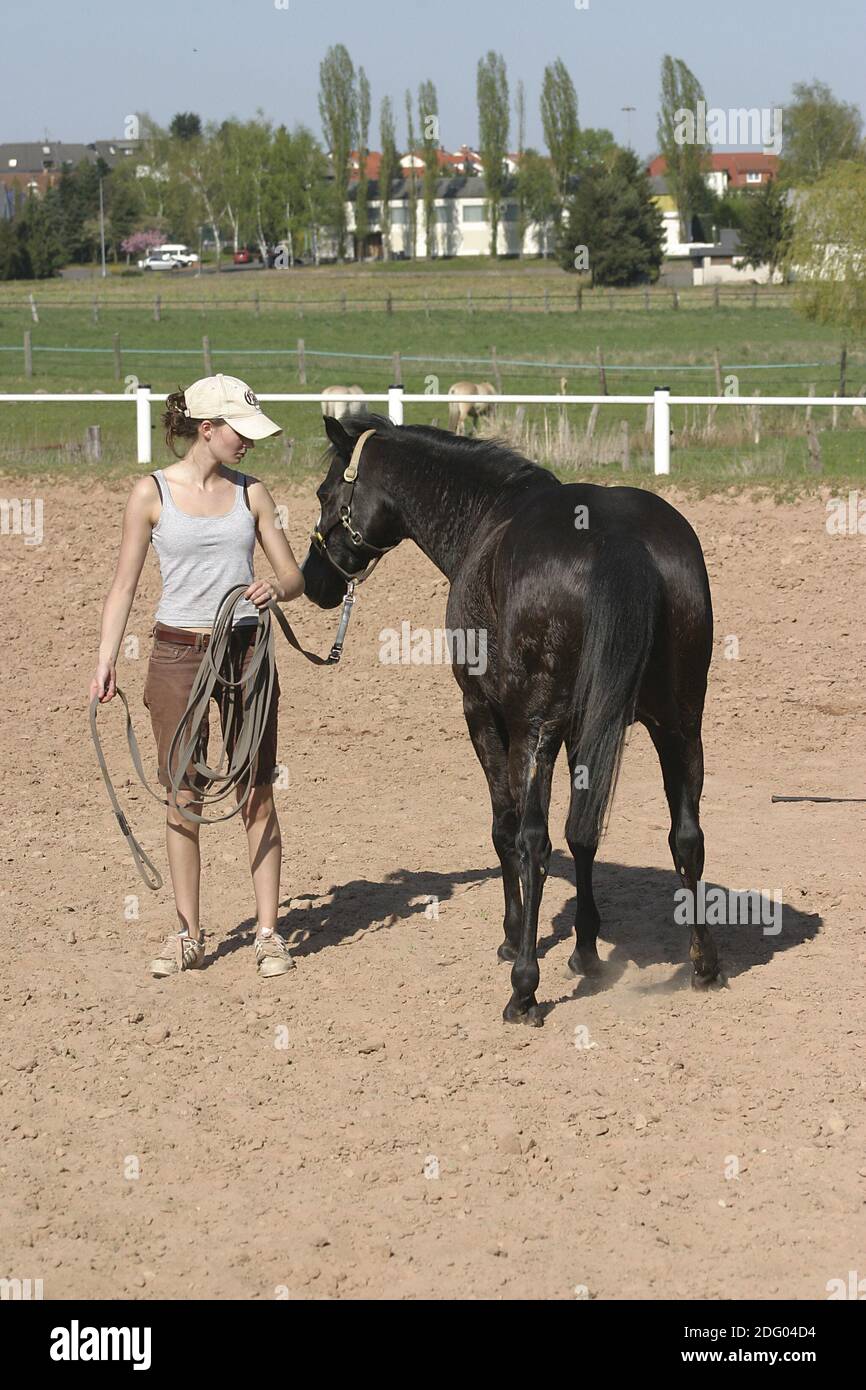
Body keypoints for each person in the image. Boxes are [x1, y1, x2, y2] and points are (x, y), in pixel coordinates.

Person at [89, 374, 304, 979]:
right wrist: (105, 657)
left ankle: (267, 932)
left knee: (256, 789)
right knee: (181, 794)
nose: (249, 445)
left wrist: (274, 587)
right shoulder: (150, 494)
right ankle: (187, 931)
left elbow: (294, 578)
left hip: (245, 652)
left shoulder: (252, 494)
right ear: (206, 429)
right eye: (240, 432)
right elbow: (124, 585)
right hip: (177, 656)